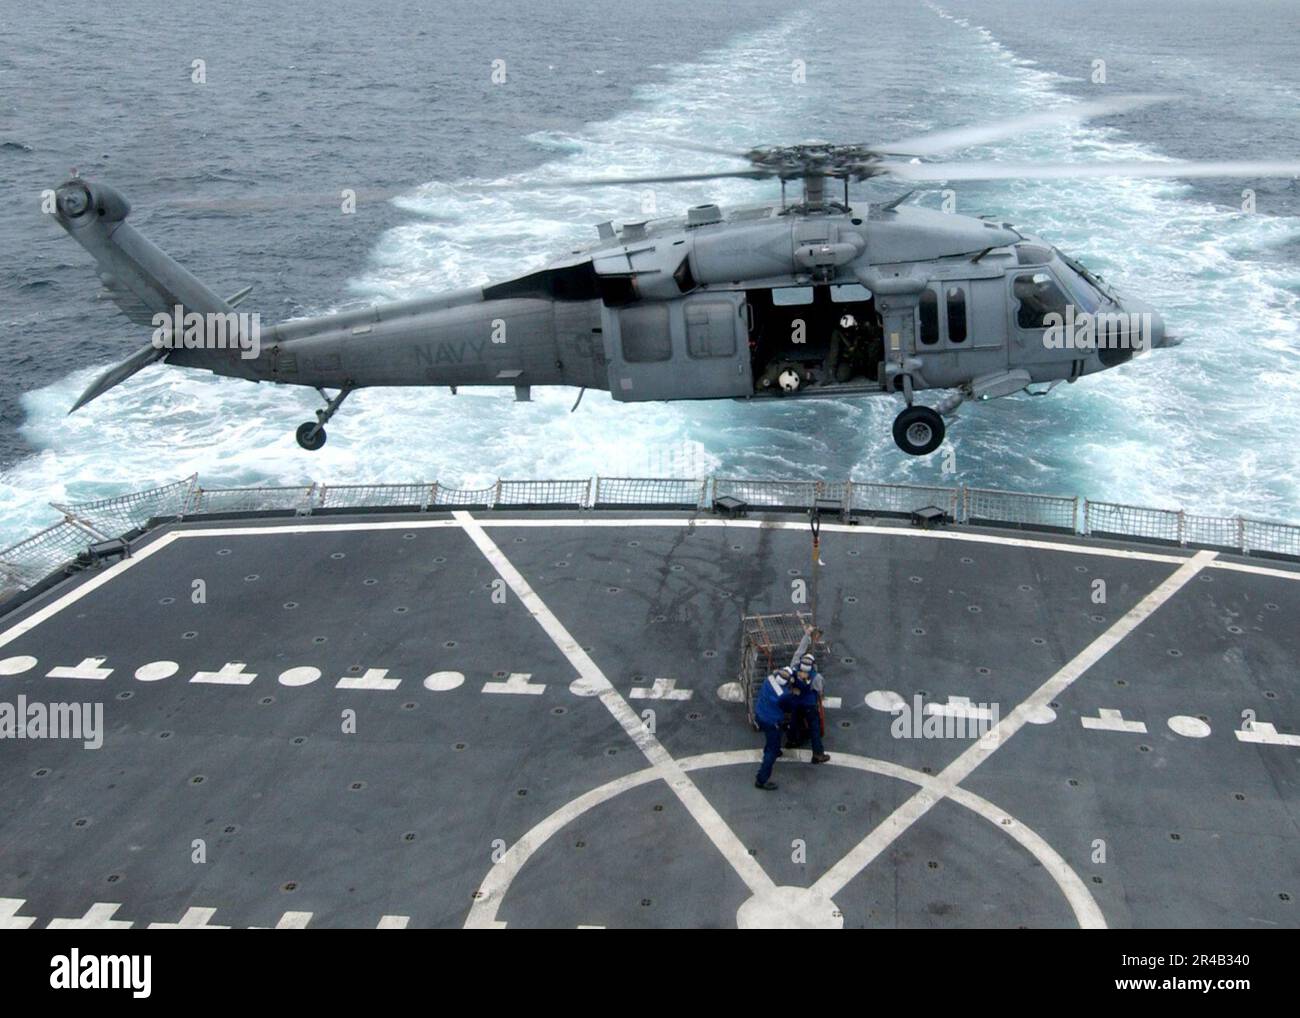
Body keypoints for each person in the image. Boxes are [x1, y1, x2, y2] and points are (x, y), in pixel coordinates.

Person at [754, 666, 799, 790]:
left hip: (760, 714)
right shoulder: (783, 695)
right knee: (771, 751)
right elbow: (788, 708)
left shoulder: (769, 679)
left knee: (774, 737)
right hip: (772, 721)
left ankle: (776, 749)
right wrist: (793, 693)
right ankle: (761, 780)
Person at [825, 313, 866, 383]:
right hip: (848, 360)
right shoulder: (838, 334)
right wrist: (831, 371)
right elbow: (834, 352)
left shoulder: (862, 330)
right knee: (842, 376)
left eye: (849, 329)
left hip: (862, 357)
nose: (847, 332)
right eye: (845, 330)